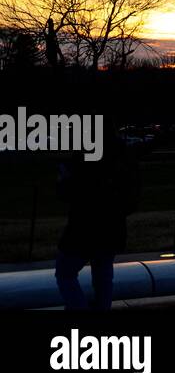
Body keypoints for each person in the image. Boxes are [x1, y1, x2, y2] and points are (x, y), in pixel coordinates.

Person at [54, 132, 139, 310]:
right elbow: (132, 198)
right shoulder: (123, 154)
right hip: (113, 228)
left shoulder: (86, 151)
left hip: (83, 228)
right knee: (103, 277)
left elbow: (69, 191)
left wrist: (63, 180)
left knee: (65, 274)